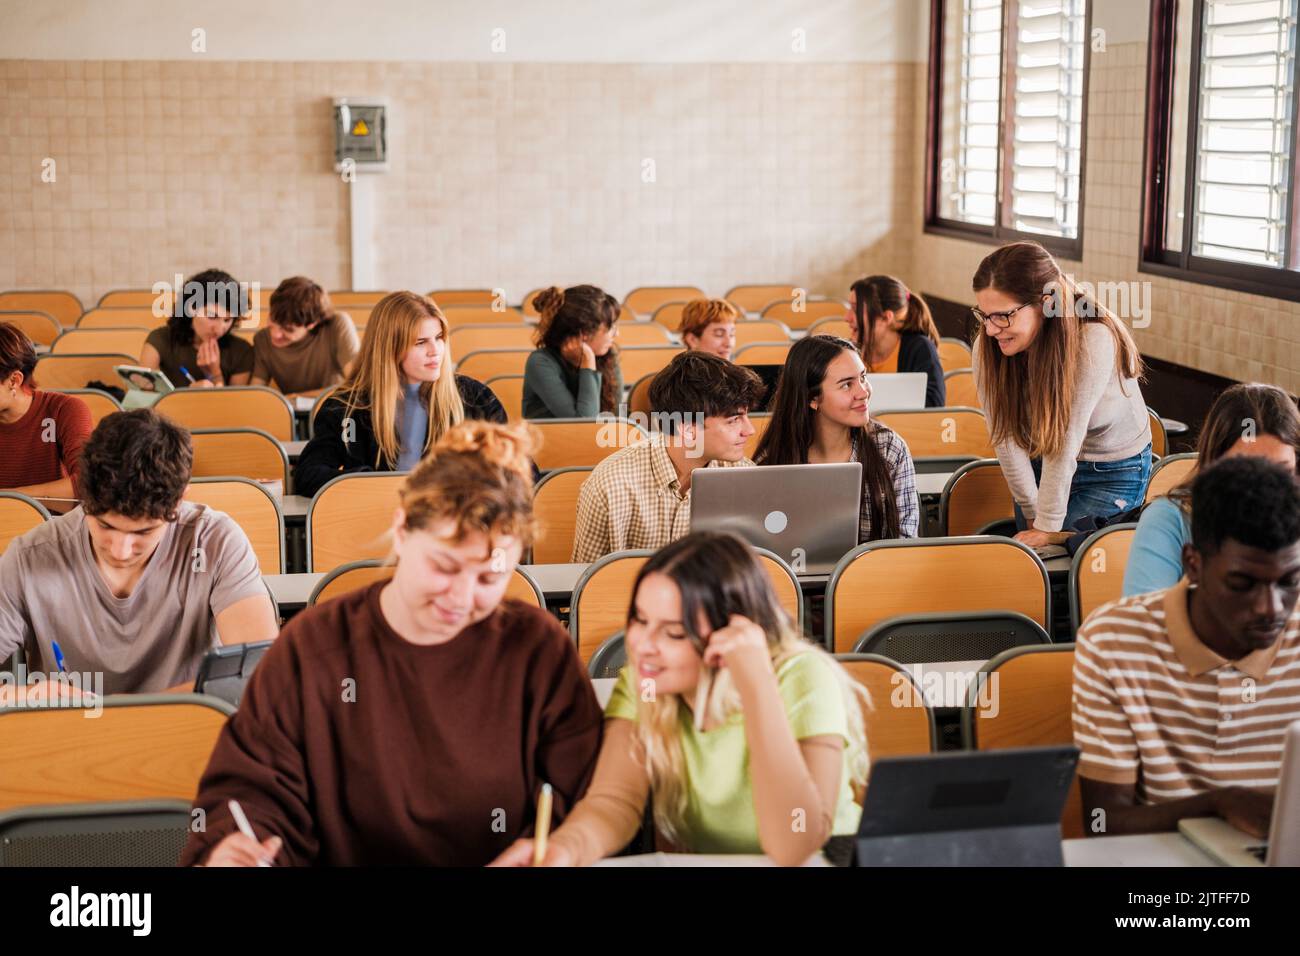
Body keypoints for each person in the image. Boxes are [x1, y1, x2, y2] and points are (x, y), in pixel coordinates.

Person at [181, 422, 603, 866]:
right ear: (402, 530)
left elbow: (585, 790)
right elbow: (250, 794)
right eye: (443, 566)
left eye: (488, 578)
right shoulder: (313, 649)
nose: (460, 599)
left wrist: (561, 845)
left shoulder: (537, 650)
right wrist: (232, 849)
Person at [491, 531, 869, 866]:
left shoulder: (802, 677)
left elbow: (793, 847)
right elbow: (614, 802)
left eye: (673, 633)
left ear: (731, 633)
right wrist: (567, 850)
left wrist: (755, 683)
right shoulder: (647, 685)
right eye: (639, 620)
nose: (642, 647)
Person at [1074, 457, 1300, 837]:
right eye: (1243, 583)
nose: (1270, 608)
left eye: (1290, 581)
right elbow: (1102, 823)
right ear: (1193, 564)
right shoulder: (1112, 642)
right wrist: (1218, 803)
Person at [0, 409, 278, 697]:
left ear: (179, 501)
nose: (121, 551)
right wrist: (20, 697)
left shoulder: (216, 541)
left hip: (185, 731)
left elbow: (260, 677)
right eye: (105, 526)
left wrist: (122, 718)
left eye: (143, 532)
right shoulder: (30, 557)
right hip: (72, 737)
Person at [972, 241, 1152, 548]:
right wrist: (1032, 512)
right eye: (984, 315)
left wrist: (1047, 526)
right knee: (1033, 560)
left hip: (1111, 471)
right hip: (1041, 461)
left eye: (1003, 316)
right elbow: (1006, 439)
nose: (990, 330)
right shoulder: (987, 347)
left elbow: (1065, 441)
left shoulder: (1092, 339)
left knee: (1073, 562)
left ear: (1045, 303)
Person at [293, 291, 506, 498]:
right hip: (377, 519)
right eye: (421, 342)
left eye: (439, 337)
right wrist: (368, 482)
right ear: (390, 348)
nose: (435, 351)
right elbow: (308, 474)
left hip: (454, 523)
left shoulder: (476, 398)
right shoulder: (346, 408)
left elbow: (523, 470)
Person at [572, 351, 765, 562]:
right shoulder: (609, 484)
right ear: (689, 429)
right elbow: (587, 584)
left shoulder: (745, 478)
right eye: (734, 420)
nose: (749, 430)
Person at [1123, 384, 1300, 597]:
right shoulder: (1171, 520)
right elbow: (1146, 620)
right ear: (1214, 464)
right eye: (1243, 469)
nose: (1262, 486)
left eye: (1280, 471)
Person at [754, 335, 918, 542]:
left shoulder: (889, 448)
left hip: (879, 574)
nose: (863, 392)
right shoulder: (773, 459)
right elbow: (768, 547)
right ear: (812, 399)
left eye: (863, 377)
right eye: (847, 385)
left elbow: (906, 541)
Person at [0, 321, 92, 501]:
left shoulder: (64, 410)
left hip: (51, 525)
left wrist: (10, 499)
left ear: (14, 381)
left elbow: (87, 484)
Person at [140, 268, 255, 388]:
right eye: (211, 316)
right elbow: (141, 396)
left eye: (227, 320)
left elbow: (235, 404)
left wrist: (215, 374)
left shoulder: (241, 351)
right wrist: (187, 395)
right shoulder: (160, 339)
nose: (219, 329)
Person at [522, 285, 622, 419]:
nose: (617, 333)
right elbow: (583, 424)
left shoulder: (607, 356)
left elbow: (615, 417)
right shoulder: (540, 362)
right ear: (585, 333)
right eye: (610, 327)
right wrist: (588, 364)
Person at [249, 276, 360, 397]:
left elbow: (356, 385)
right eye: (272, 321)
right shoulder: (262, 339)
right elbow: (256, 394)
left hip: (335, 410)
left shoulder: (337, 325)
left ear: (312, 324)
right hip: (291, 414)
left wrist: (299, 397)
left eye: (288, 329)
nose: (275, 334)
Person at [846, 276, 945, 407]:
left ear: (886, 318)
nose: (847, 317)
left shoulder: (919, 348)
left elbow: (933, 408)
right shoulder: (847, 351)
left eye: (855, 309)